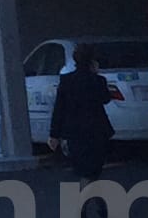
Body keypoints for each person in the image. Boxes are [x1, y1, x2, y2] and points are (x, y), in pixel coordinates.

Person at [49, 43, 115, 207]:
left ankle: (96, 203)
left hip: (75, 131)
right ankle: (88, 204)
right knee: (94, 169)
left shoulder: (66, 81)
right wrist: (96, 74)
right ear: (92, 61)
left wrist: (54, 134)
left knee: (85, 170)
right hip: (97, 130)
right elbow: (106, 99)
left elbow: (59, 108)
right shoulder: (98, 80)